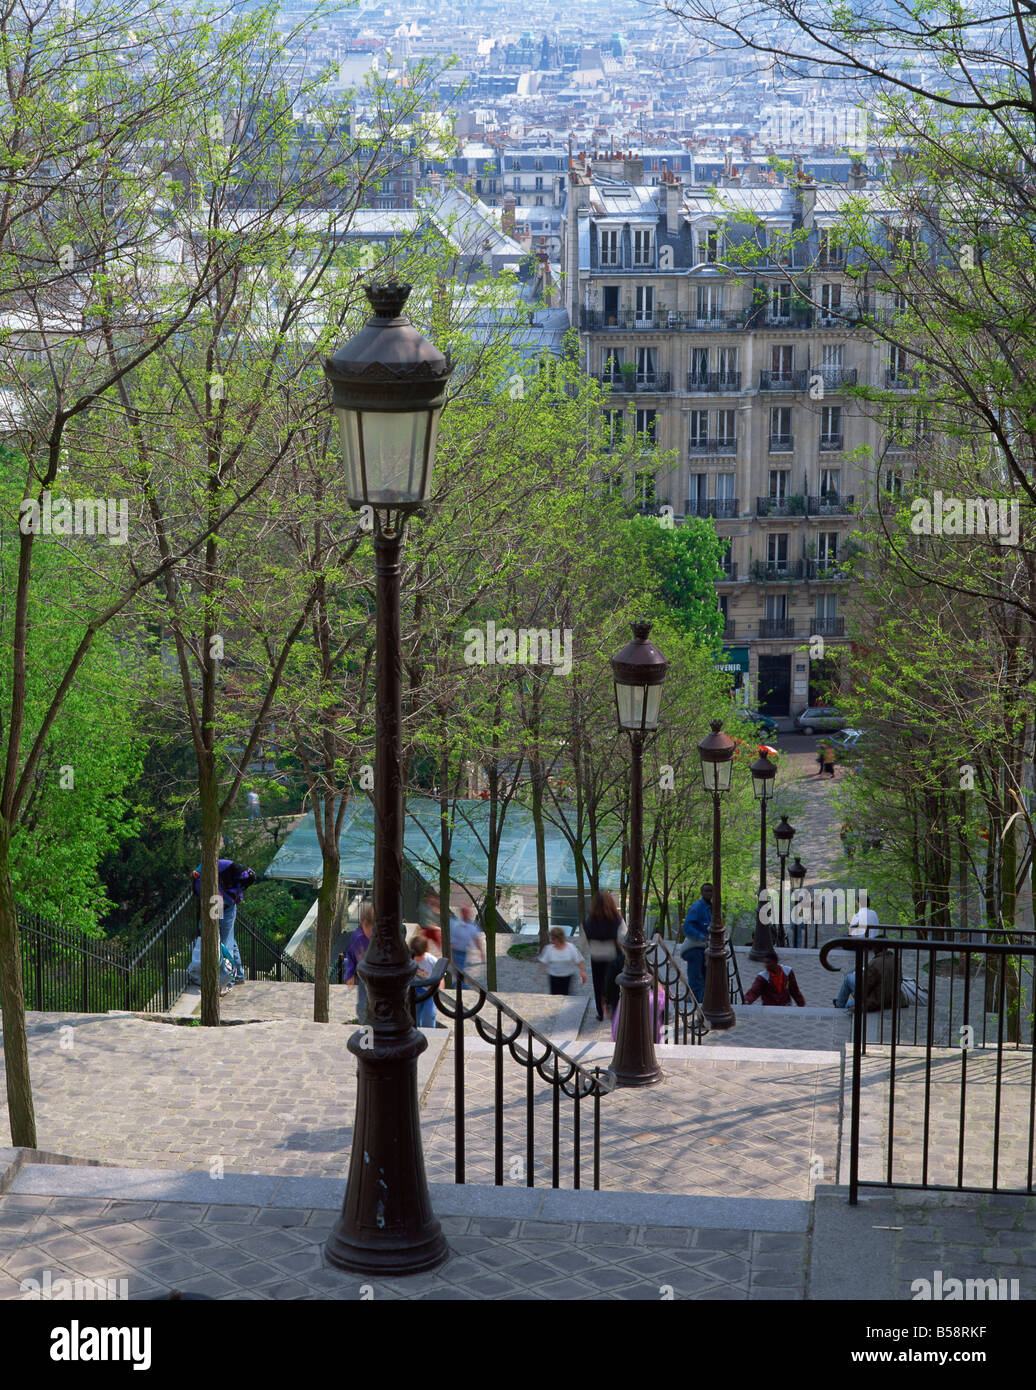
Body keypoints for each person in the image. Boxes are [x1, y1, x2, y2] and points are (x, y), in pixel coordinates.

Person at [190, 858, 256, 985]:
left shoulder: (236, 875)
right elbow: (199, 870)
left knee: (226, 941)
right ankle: (238, 975)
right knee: (227, 939)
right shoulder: (221, 867)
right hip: (215, 902)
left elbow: (234, 895)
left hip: (222, 904)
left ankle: (227, 980)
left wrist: (222, 898)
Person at [582, 889, 624, 1021]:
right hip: (613, 956)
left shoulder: (588, 920)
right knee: (613, 983)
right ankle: (613, 1008)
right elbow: (623, 937)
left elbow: (583, 944)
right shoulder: (617, 919)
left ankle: (600, 1012)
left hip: (596, 956)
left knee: (598, 984)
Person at [835, 907, 882, 1007]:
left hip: (874, 997)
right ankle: (841, 1003)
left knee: (849, 977)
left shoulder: (876, 962)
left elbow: (852, 934)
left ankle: (839, 1004)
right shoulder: (873, 913)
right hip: (883, 995)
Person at [680, 883, 712, 1003]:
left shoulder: (709, 908)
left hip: (703, 949)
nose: (709, 893)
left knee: (703, 978)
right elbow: (687, 927)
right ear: (702, 892)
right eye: (706, 891)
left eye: (710, 891)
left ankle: (697, 1002)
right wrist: (701, 937)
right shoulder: (698, 907)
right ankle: (694, 1004)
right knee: (696, 979)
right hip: (695, 949)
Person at [537, 927, 587, 996]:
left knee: (566, 998)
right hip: (554, 978)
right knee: (554, 998)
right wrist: (538, 974)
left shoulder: (571, 947)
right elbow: (543, 963)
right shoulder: (548, 949)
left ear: (559, 938)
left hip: (567, 978)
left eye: (553, 938)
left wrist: (582, 972)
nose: (552, 940)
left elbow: (579, 960)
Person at [344, 904, 373, 1023]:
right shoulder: (358, 938)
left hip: (376, 974)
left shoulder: (378, 937)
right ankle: (364, 1024)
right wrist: (349, 975)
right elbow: (350, 956)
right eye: (368, 929)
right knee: (362, 1003)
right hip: (363, 976)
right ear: (362, 924)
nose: (370, 933)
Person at [409, 933, 441, 1028]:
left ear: (426, 951)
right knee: (415, 1014)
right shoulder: (409, 959)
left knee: (429, 1014)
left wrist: (439, 990)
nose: (417, 959)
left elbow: (440, 976)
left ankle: (429, 1031)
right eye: (415, 955)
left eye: (420, 955)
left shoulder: (431, 960)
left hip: (429, 992)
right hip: (415, 992)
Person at [449, 903, 484, 975]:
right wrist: (451, 956)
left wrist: (481, 952)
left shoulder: (471, 927)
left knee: (459, 973)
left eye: (469, 912)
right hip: (455, 952)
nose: (469, 914)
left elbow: (476, 939)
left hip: (464, 953)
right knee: (460, 974)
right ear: (462, 913)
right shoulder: (454, 924)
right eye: (467, 912)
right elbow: (450, 941)